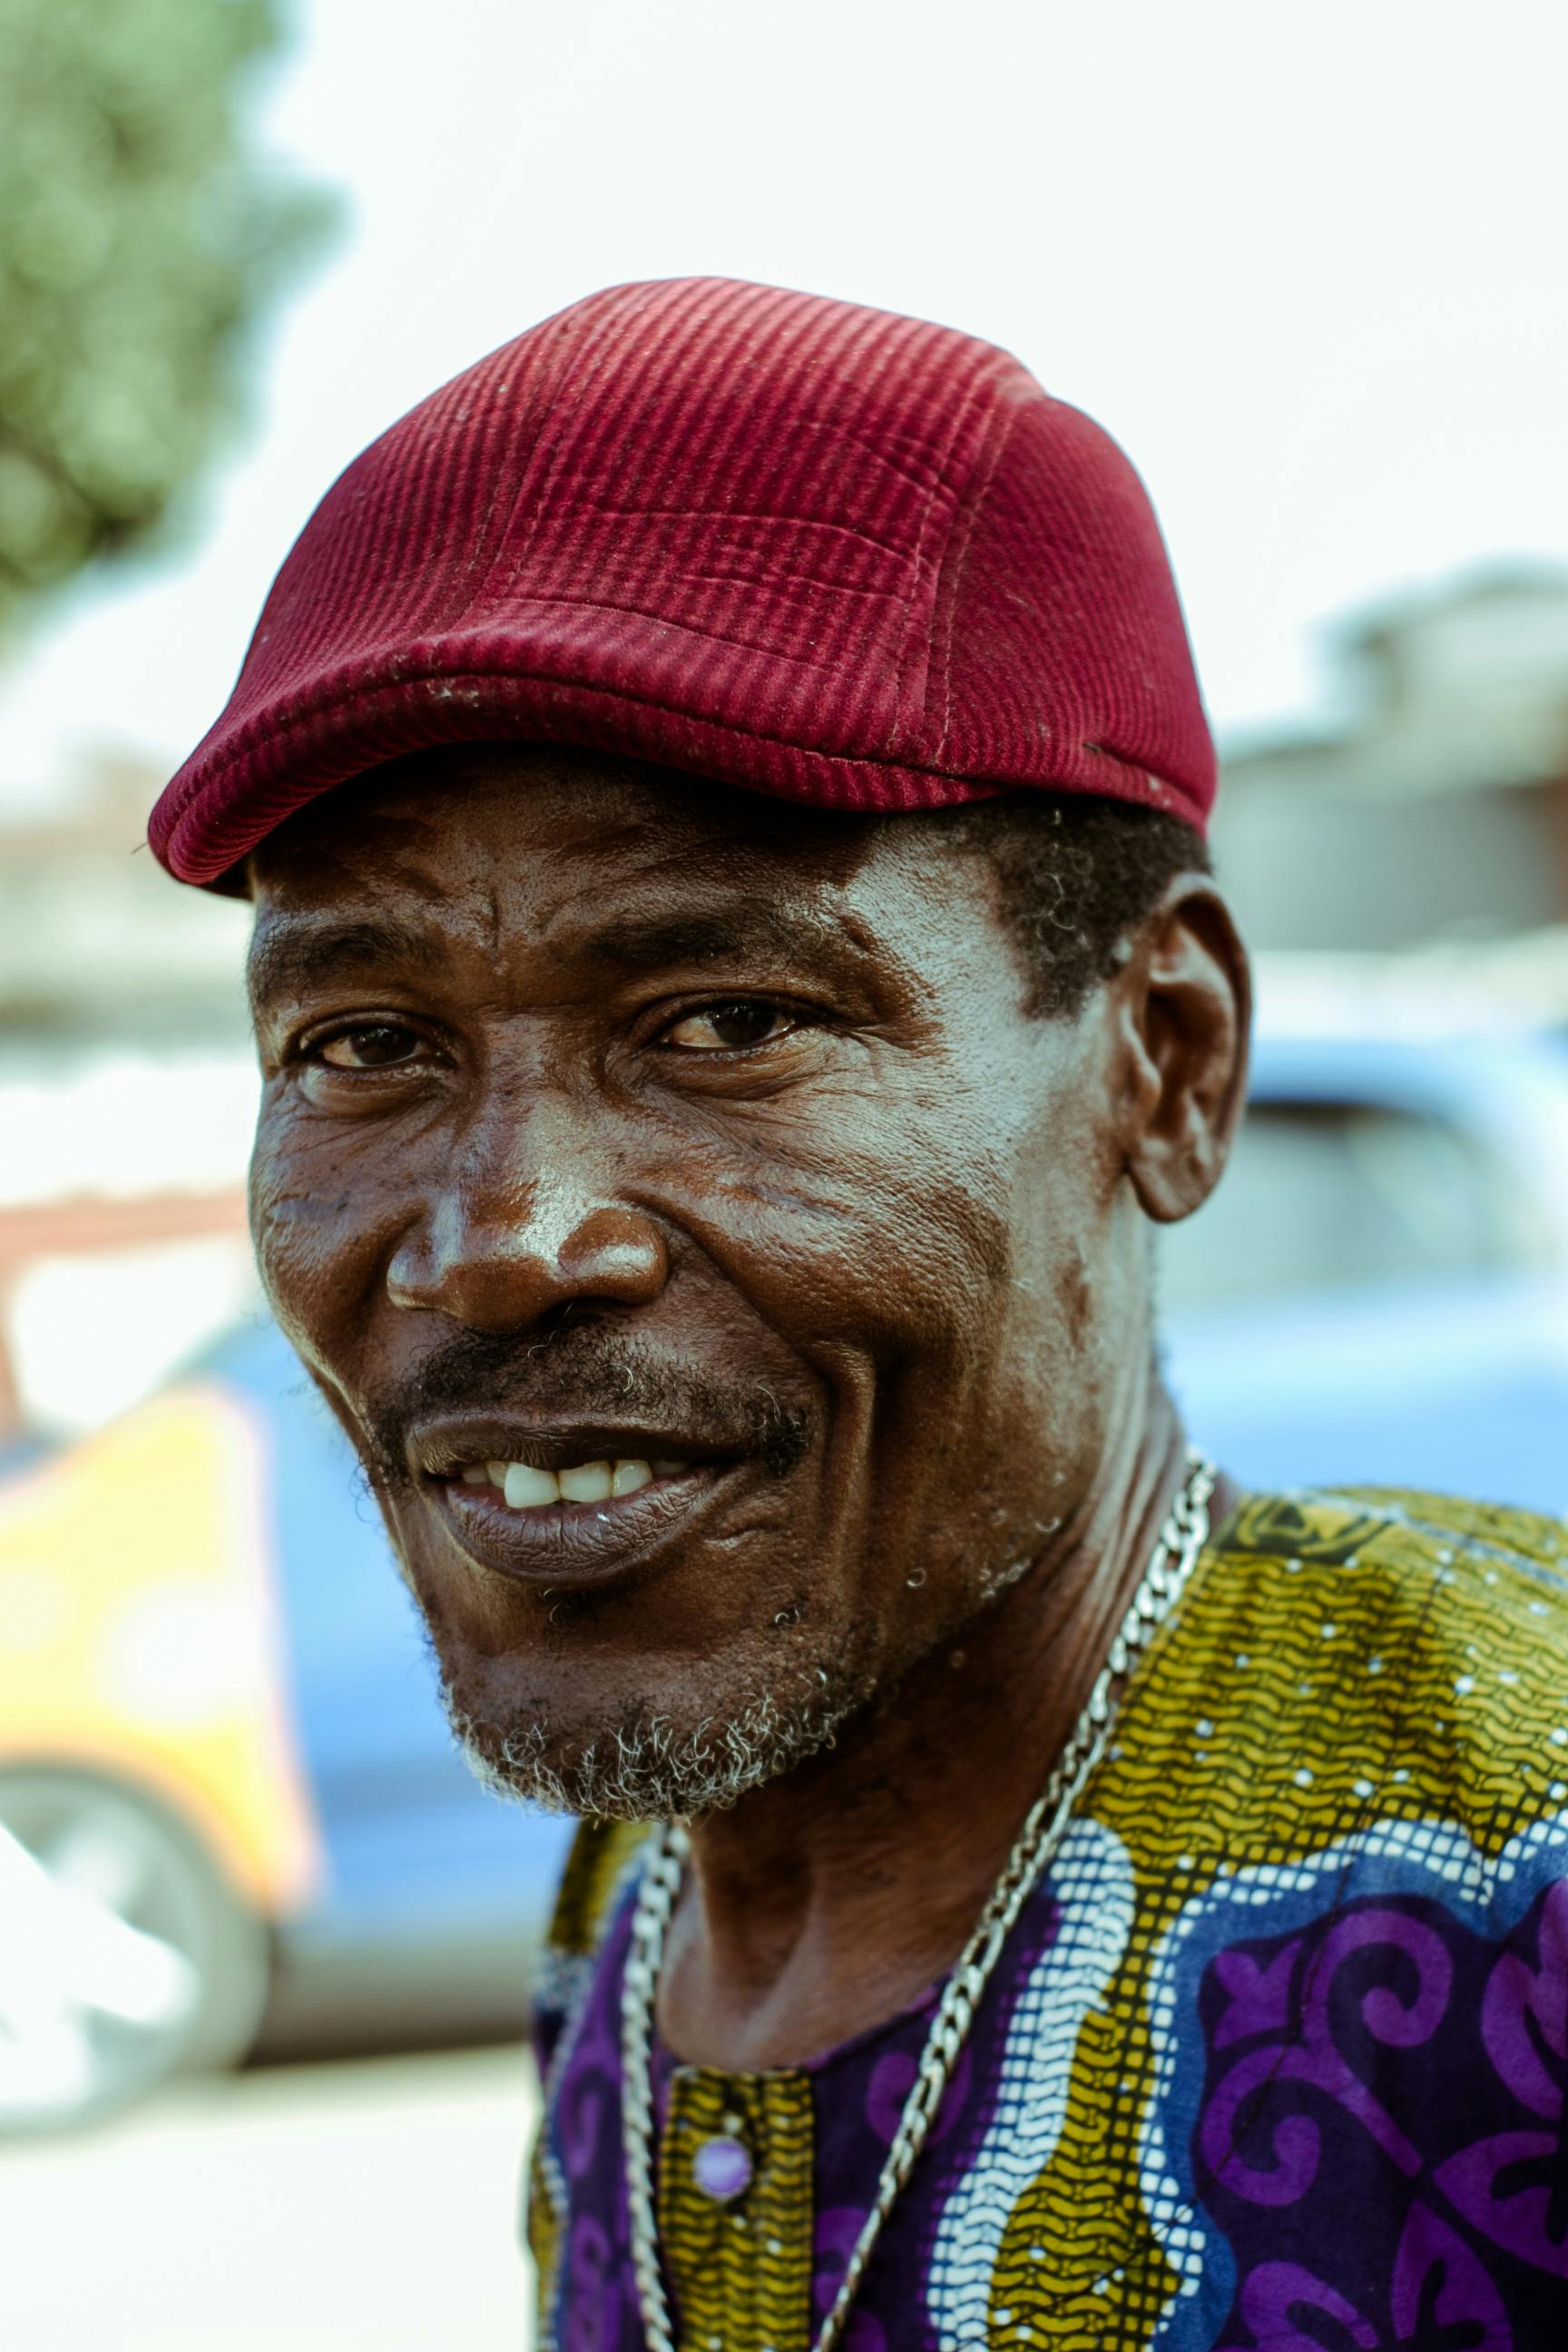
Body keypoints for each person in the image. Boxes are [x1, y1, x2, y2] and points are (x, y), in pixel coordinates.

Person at [151, 278, 1568, 2350]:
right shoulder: (637, 1904)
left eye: (724, 1020)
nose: (495, 1241)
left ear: (1162, 1064)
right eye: (363, 1043)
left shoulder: (1524, 1861)